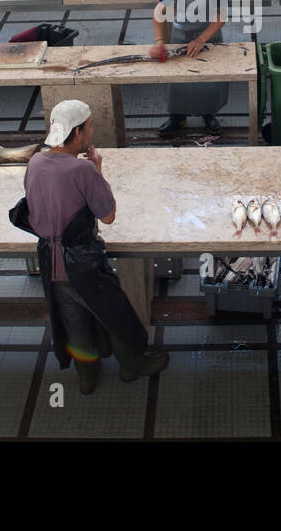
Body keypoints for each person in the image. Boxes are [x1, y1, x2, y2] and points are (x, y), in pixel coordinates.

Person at [20, 100, 169, 394]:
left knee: (74, 322)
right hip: (83, 264)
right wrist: (97, 170)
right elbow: (108, 215)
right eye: (88, 127)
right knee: (115, 315)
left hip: (50, 261)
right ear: (76, 132)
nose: (91, 131)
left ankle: (86, 378)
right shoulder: (82, 171)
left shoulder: (35, 162)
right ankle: (131, 366)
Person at [150, 0, 228, 136]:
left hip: (209, 31)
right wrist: (160, 41)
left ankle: (209, 114)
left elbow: (221, 16)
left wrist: (202, 39)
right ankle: (176, 117)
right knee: (177, 76)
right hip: (182, 29)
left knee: (210, 75)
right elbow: (159, 12)